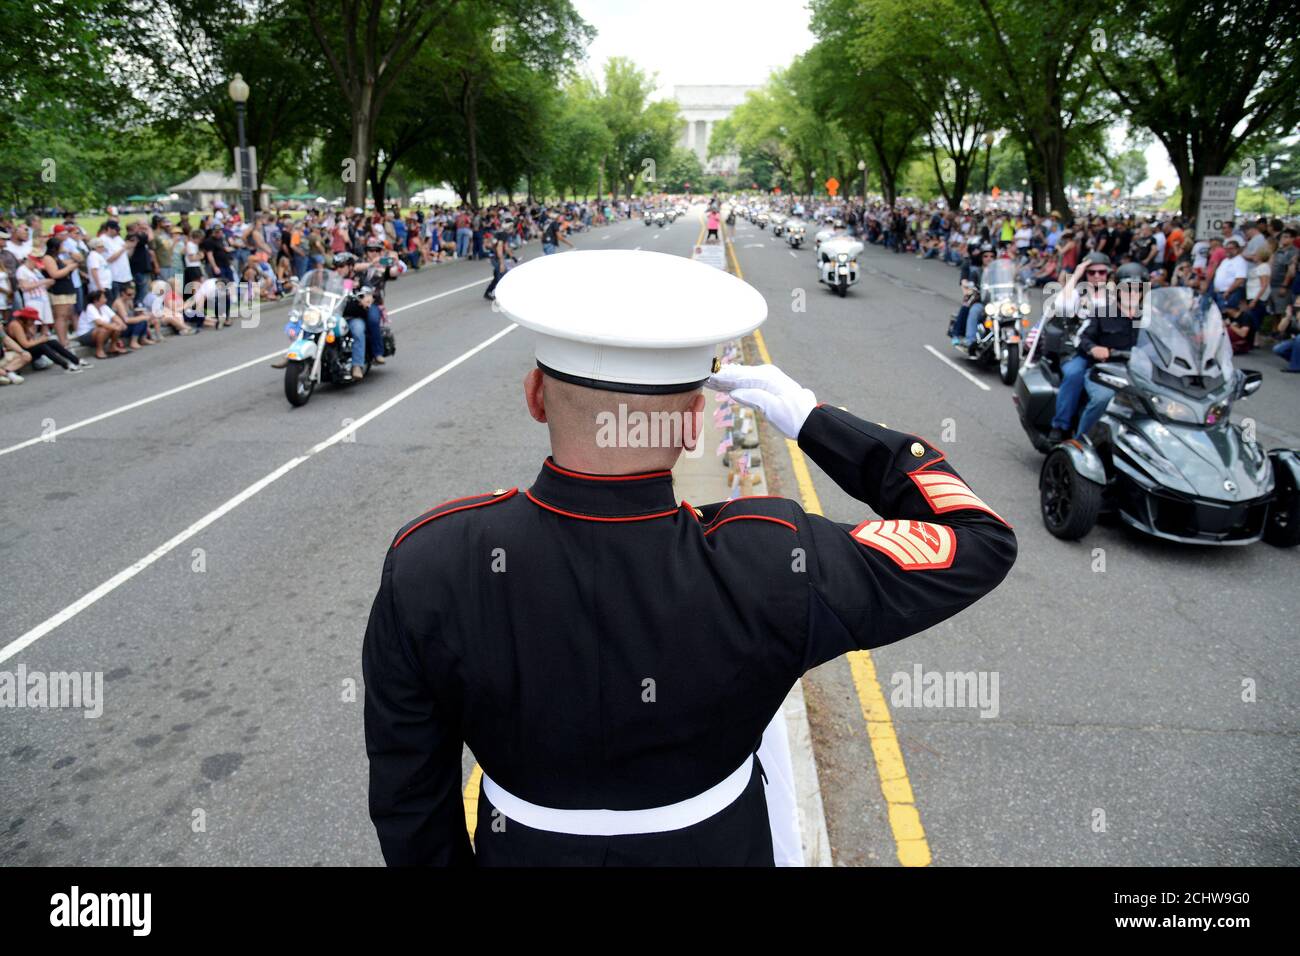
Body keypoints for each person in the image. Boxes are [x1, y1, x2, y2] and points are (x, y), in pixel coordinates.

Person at [361, 250, 1017, 867]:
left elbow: (410, 799)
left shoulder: (433, 560)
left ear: (535, 396)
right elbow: (981, 539)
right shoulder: (773, 560)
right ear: (692, 422)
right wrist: (813, 419)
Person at [1048, 254, 1138, 442]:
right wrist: (1076, 274)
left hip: (1117, 352)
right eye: (1091, 272)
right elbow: (1060, 306)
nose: (1097, 276)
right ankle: (1061, 425)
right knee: (1074, 374)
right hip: (1080, 347)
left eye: (1101, 272)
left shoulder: (1120, 295)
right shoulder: (1077, 293)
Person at [6, 306, 87, 372]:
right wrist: (40, 340)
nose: (34, 322)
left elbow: (31, 339)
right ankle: (65, 365)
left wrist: (36, 331)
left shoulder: (25, 325)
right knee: (43, 346)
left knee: (52, 342)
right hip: (20, 350)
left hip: (27, 348)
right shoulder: (15, 325)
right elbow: (25, 344)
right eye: (33, 320)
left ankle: (76, 360)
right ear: (26, 319)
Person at [75, 288, 124, 358]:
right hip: (85, 335)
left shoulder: (104, 307)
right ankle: (99, 351)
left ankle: (113, 347)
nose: (105, 299)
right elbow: (99, 323)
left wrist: (120, 324)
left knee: (115, 326)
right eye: (103, 297)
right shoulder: (90, 307)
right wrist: (114, 327)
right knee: (103, 329)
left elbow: (115, 317)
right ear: (96, 300)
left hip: (100, 333)